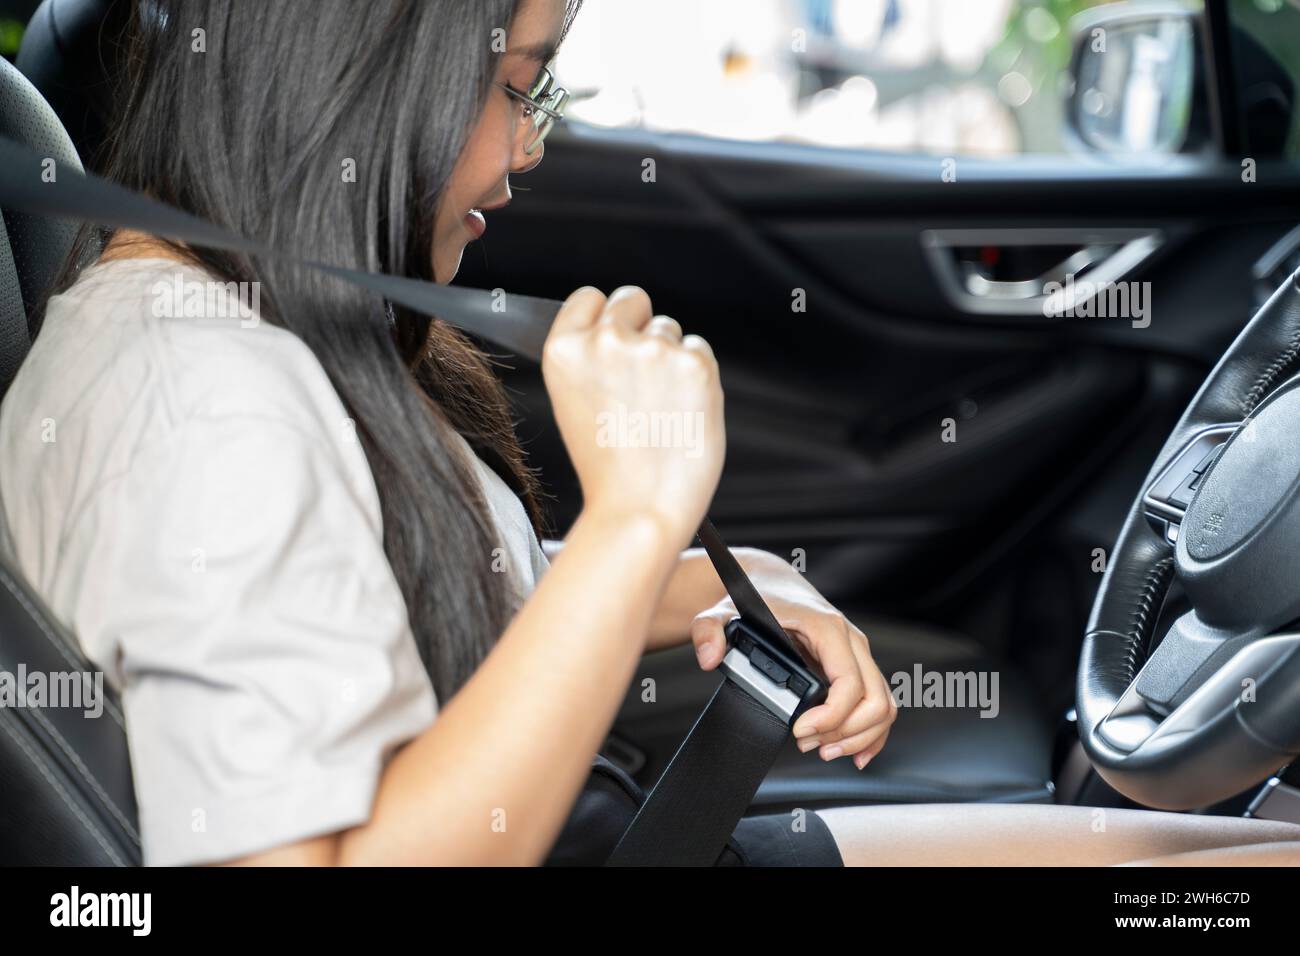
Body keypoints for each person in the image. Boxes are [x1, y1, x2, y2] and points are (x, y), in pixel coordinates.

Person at [1, 0, 1296, 867]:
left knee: (1222, 864)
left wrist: (715, 585)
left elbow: (407, 608)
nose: (528, 149)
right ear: (354, 77)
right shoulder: (197, 396)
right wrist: (633, 516)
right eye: (519, 85)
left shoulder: (267, 337)